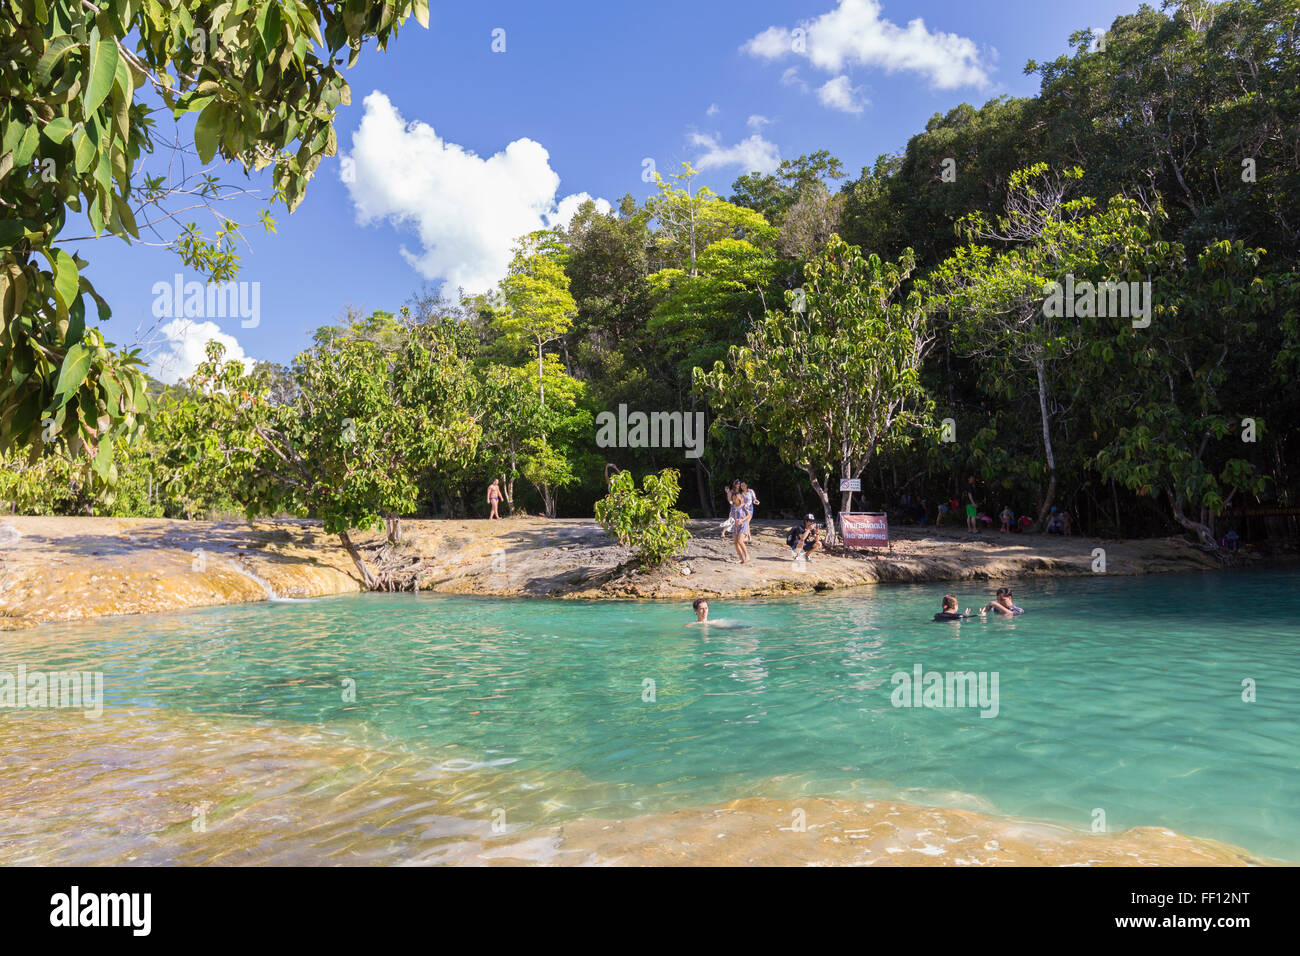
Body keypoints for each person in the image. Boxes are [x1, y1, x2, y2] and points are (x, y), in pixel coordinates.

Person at [730, 492, 751, 564]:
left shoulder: (744, 506)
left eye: (735, 498)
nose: (734, 500)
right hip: (735, 526)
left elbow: (748, 515)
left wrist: (742, 520)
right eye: (733, 498)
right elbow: (731, 516)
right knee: (735, 542)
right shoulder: (732, 507)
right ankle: (741, 559)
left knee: (740, 541)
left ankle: (747, 556)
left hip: (743, 525)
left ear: (739, 498)